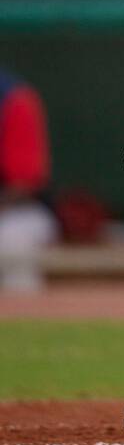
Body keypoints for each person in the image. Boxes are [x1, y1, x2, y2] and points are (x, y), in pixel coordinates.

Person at [0, 69, 58, 292]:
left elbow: (23, 184)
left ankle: (19, 315)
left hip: (17, 214)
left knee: (12, 239)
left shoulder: (12, 97)